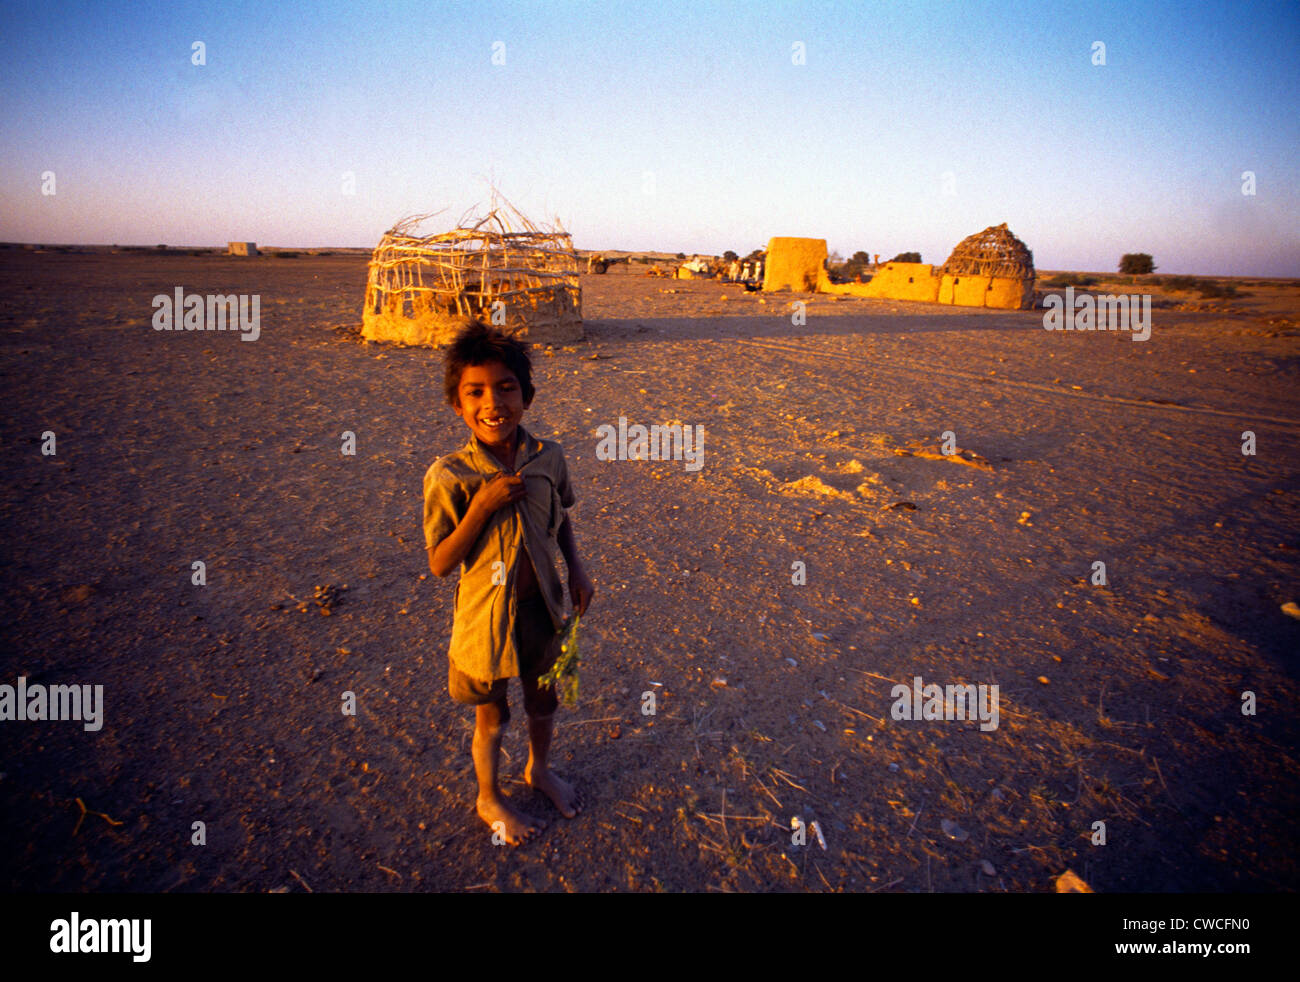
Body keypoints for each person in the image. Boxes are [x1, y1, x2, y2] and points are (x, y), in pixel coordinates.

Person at [424, 324, 595, 845]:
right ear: (457, 404)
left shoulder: (549, 457)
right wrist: (481, 507)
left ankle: (539, 769)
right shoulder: (450, 475)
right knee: (491, 712)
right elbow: (440, 562)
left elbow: (561, 516)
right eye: (475, 392)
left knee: (544, 699)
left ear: (527, 395)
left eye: (506, 388)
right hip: (484, 619)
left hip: (541, 605)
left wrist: (577, 568)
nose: (493, 404)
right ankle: (489, 796)